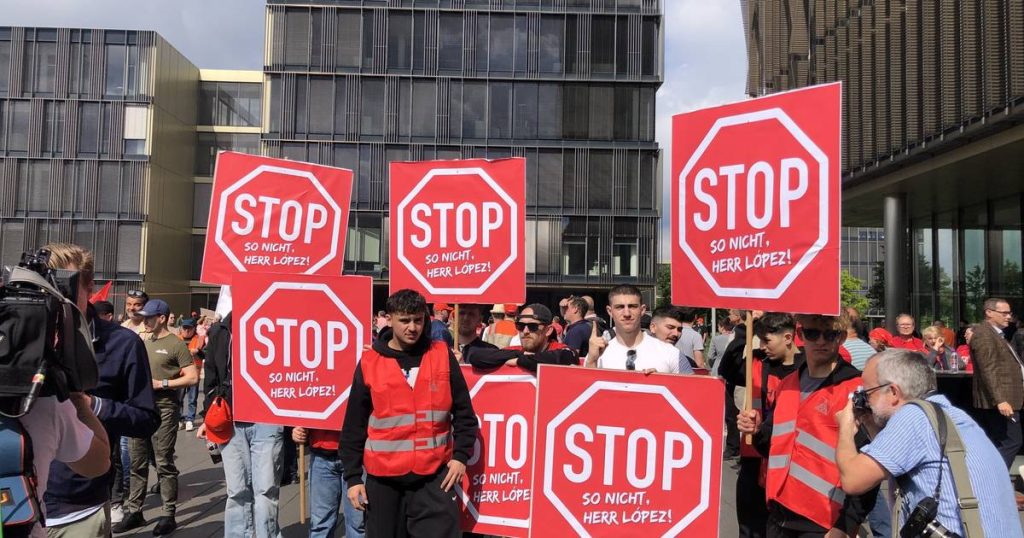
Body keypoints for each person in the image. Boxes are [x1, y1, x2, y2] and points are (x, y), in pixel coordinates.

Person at [834, 349, 1022, 536]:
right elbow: (893, 459)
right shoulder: (946, 414)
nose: (865, 401)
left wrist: (845, 426)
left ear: (893, 392)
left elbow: (853, 480)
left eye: (868, 393)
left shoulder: (913, 417)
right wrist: (869, 421)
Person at [41, 243, 160, 538]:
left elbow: (146, 419)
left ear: (89, 286)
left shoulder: (124, 344)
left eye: (65, 287)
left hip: (79, 507)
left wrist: (94, 406)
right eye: (48, 287)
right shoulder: (17, 337)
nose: (57, 298)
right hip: (17, 501)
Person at [340, 290, 477, 537]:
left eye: (418, 320)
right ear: (389, 319)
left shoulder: (441, 354)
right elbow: (353, 425)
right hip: (384, 482)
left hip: (433, 479)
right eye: (404, 321)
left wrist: (460, 456)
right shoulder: (371, 361)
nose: (412, 327)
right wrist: (352, 478)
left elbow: (465, 413)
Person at [738, 313, 875, 537]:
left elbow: (869, 465)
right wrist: (757, 431)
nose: (821, 341)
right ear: (801, 335)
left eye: (830, 334)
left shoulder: (856, 390)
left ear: (841, 338)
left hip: (824, 521)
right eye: (812, 333)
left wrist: (845, 526)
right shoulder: (788, 384)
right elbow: (773, 448)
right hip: (779, 514)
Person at [197, 310, 286, 538]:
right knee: (236, 490)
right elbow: (211, 374)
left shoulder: (277, 322)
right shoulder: (220, 329)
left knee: (265, 489)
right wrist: (209, 413)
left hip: (266, 415)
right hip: (230, 416)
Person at [115, 300, 198, 535]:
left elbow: (192, 378)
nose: (144, 321)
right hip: (139, 409)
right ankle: (135, 512)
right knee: (136, 462)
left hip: (165, 408)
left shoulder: (175, 344)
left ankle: (168, 514)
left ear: (162, 318)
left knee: (163, 462)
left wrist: (162, 384)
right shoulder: (141, 340)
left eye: (149, 317)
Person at [720, 313, 804, 538]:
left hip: (792, 459)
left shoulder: (807, 366)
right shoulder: (757, 363)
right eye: (760, 341)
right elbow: (727, 368)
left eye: (767, 341)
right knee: (750, 525)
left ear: (788, 337)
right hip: (754, 455)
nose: (763, 346)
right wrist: (745, 326)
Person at [969, 297, 1024, 468]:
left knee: (1001, 442)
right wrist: (1000, 400)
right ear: (989, 313)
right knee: (1012, 441)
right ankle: (993, 479)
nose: (1009, 317)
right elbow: (988, 370)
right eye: (1004, 313)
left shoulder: (997, 334)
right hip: (1000, 402)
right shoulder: (984, 334)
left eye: (1010, 313)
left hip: (1007, 399)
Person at [584, 285, 680, 374]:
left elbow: (687, 390)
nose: (627, 314)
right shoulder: (595, 355)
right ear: (610, 311)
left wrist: (662, 381)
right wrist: (592, 361)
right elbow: (585, 389)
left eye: (632, 306)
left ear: (642, 310)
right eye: (620, 307)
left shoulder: (670, 353)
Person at [292, 427, 365, 538]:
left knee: (358, 525)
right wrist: (297, 429)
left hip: (358, 456)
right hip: (321, 455)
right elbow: (301, 411)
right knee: (320, 526)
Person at [465, 304, 579, 371]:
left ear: (548, 330)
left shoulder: (560, 349)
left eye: (532, 326)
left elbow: (568, 357)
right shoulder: (515, 351)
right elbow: (476, 357)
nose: (525, 331)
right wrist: (522, 355)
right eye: (520, 326)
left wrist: (520, 361)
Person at [647, 306, 695, 374]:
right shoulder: (635, 350)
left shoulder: (679, 357)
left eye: (679, 329)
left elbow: (691, 384)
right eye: (670, 327)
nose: (676, 334)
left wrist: (660, 379)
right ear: (653, 327)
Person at [178, 318, 204, 432]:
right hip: (180, 374)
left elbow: (205, 354)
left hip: (194, 374)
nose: (187, 330)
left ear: (194, 329)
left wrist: (198, 352)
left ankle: (190, 420)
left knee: (192, 399)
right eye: (185, 328)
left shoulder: (199, 339)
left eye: (189, 328)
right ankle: (179, 419)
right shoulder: (177, 339)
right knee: (179, 398)